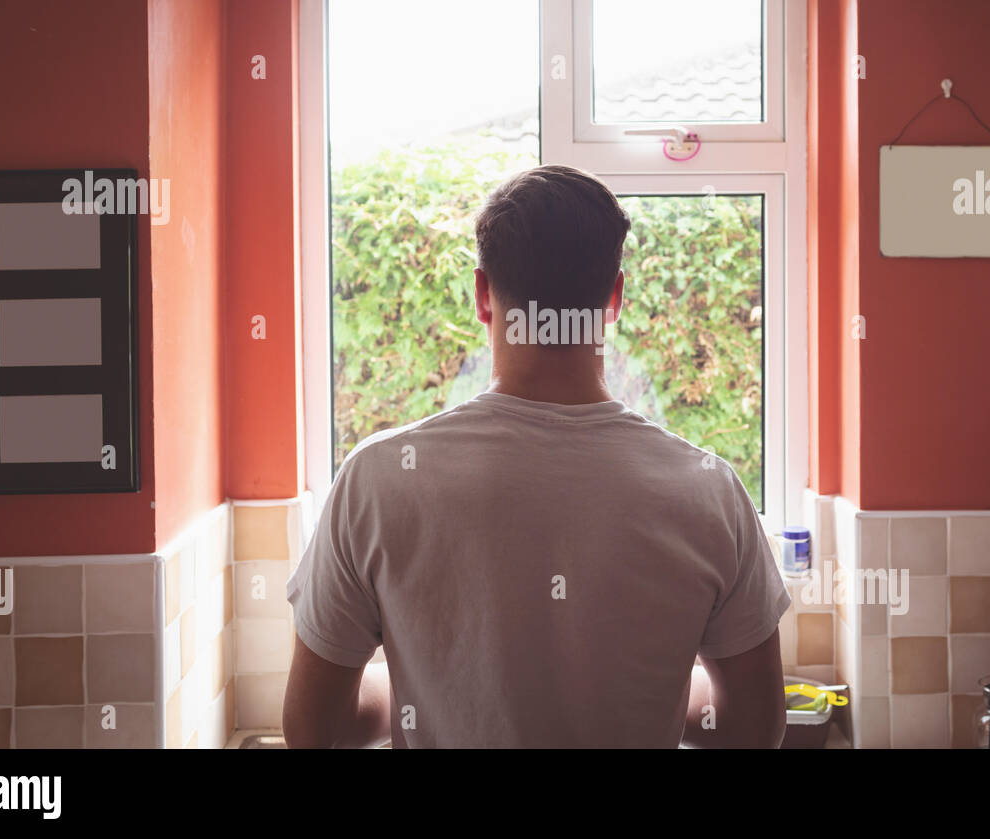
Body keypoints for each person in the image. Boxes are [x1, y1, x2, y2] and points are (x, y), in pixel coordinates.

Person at [283, 164, 789, 748]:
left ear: (481, 295)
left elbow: (314, 730)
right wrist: (655, 691)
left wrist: (437, 694)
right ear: (616, 299)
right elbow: (756, 728)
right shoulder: (707, 489)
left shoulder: (376, 481)